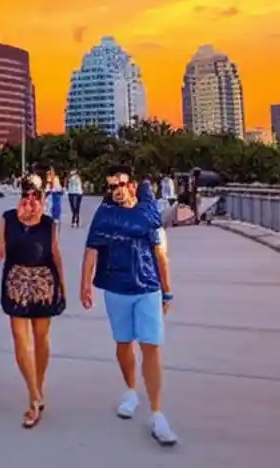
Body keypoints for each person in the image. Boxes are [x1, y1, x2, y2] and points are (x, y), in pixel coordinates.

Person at [80, 164, 178, 446]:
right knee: (124, 342)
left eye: (120, 184)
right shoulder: (104, 215)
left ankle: (157, 412)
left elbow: (161, 255)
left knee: (151, 345)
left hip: (147, 286)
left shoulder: (148, 212)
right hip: (116, 287)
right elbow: (91, 251)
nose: (116, 190)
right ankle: (131, 391)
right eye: (110, 186)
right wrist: (85, 284)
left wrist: (167, 291)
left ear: (132, 185)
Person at [0, 179, 66, 429]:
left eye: (37, 196)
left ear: (44, 200)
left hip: (44, 283)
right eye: (27, 195)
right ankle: (34, 396)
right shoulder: (8, 218)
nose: (31, 200)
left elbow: (55, 254)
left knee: (41, 337)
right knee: (19, 339)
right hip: (16, 283)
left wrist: (63, 287)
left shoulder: (49, 224)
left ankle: (38, 387)